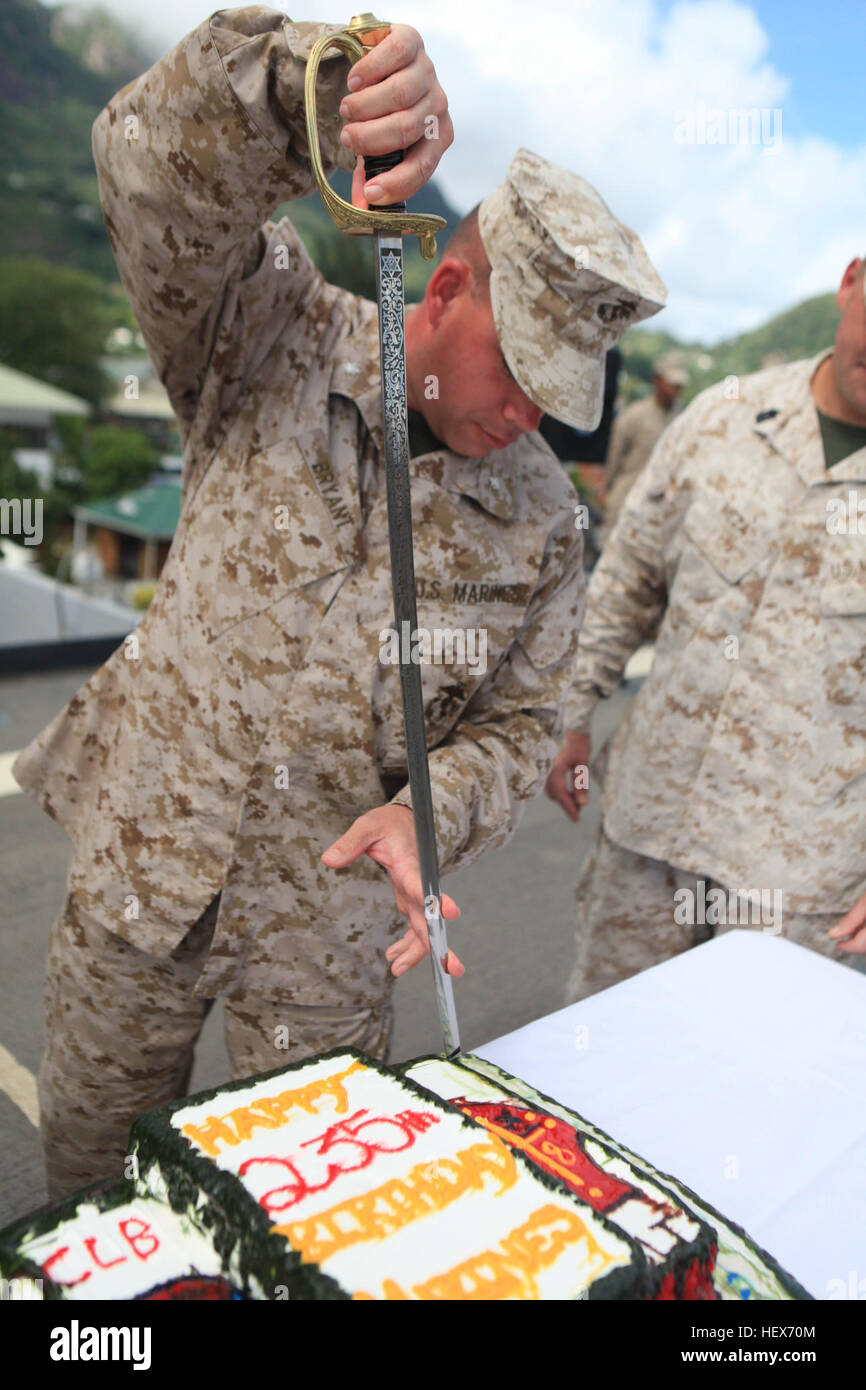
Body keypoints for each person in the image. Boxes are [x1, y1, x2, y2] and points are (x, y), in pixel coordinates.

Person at [12, 8, 667, 1198]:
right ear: (446, 284)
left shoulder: (543, 519)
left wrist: (430, 813)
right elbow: (145, 170)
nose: (529, 416)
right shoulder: (269, 334)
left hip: (328, 936)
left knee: (307, 1207)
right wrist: (308, 87)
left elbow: (519, 728)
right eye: (520, 370)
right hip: (142, 879)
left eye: (561, 395)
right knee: (94, 1200)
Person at [546, 255, 866, 1000]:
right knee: (607, 1046)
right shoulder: (723, 418)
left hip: (802, 875)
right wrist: (573, 711)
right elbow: (629, 577)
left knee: (757, 1070)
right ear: (851, 281)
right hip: (651, 834)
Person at [602, 350, 689, 534]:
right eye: (671, 384)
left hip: (659, 510)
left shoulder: (684, 421)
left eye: (679, 386)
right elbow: (614, 458)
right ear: (657, 380)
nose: (675, 390)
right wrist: (608, 489)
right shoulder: (633, 416)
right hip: (625, 499)